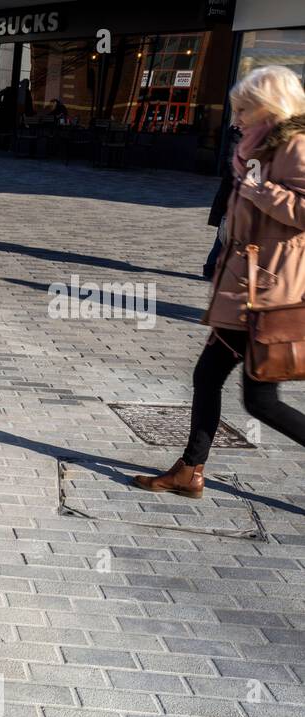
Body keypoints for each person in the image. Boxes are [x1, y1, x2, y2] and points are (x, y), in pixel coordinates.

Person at [133, 66, 305, 499]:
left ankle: (190, 470)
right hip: (246, 289)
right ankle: (190, 470)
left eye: (244, 109)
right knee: (209, 377)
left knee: (259, 401)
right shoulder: (261, 147)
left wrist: (259, 189)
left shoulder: (296, 146)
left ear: (269, 107)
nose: (237, 119)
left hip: (266, 294)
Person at [204, 125, 241, 280]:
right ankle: (212, 267)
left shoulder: (262, 133)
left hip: (248, 192)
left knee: (232, 232)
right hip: (234, 190)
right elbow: (229, 161)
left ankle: (216, 267)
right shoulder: (238, 132)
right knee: (225, 231)